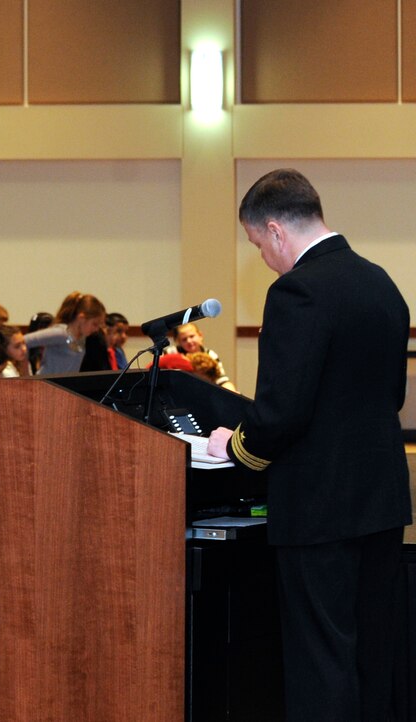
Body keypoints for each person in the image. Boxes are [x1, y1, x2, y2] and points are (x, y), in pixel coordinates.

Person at [206, 168, 410, 721]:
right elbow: (390, 394)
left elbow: (282, 411)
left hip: (321, 506)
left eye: (257, 246)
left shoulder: (297, 290)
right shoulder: (380, 281)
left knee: (322, 658)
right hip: (381, 501)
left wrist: (234, 445)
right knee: (373, 652)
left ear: (275, 231)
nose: (265, 259)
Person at [23, 292, 106, 375]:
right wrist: (25, 373)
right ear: (81, 318)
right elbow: (24, 341)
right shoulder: (60, 333)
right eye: (95, 324)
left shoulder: (82, 338)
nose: (96, 329)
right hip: (45, 384)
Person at [168, 322, 236, 392]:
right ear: (178, 342)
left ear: (200, 335)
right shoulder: (171, 353)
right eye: (184, 339)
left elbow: (221, 380)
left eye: (192, 336)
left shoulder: (211, 355)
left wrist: (233, 392)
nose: (189, 341)